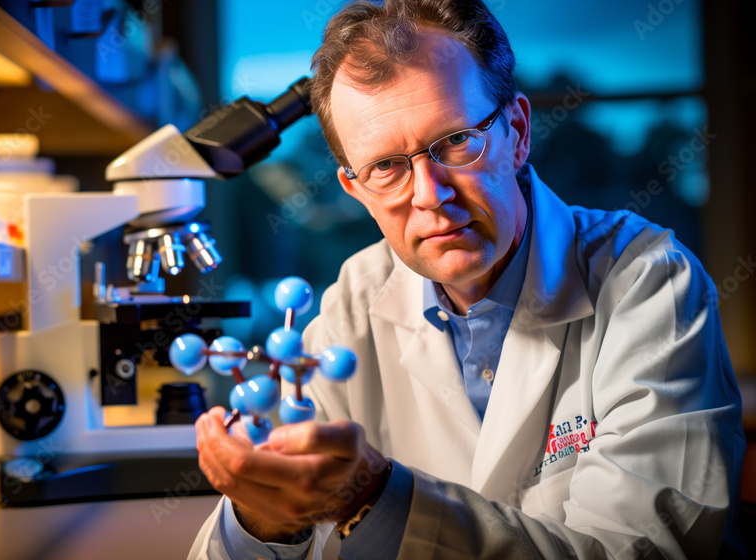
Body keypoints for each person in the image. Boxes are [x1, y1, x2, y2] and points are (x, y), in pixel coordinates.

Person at [188, 1, 747, 558]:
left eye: (456, 141)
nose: (432, 195)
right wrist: (264, 519)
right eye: (386, 166)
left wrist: (374, 498)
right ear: (356, 190)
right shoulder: (354, 301)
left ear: (519, 132)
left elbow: (644, 551)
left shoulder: (648, 283)